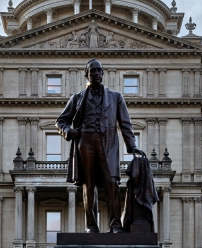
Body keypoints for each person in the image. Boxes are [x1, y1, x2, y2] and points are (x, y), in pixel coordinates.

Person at [56, 58, 144, 232]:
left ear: (103, 73)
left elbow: (125, 124)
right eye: (93, 71)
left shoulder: (116, 97)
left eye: (99, 70)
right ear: (86, 74)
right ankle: (91, 226)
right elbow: (61, 121)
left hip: (109, 143)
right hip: (85, 143)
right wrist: (68, 131)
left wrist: (132, 146)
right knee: (89, 185)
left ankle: (115, 225)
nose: (96, 73)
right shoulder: (78, 98)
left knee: (112, 182)